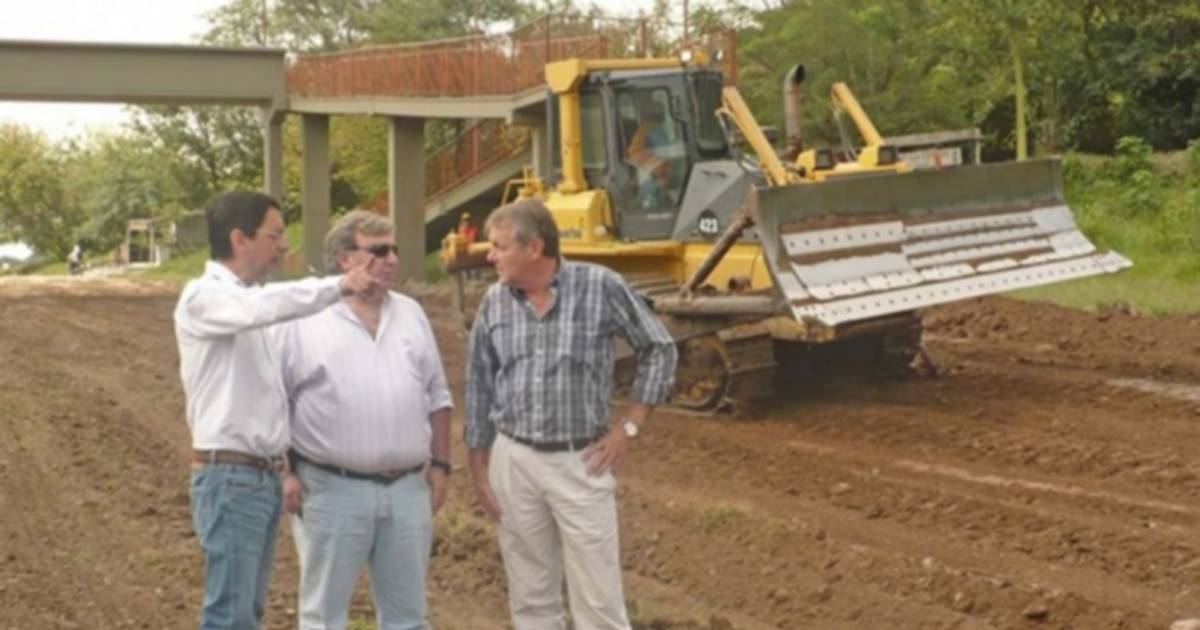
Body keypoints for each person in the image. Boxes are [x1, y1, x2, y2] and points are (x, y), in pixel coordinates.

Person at [464, 199, 678, 630]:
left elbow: (659, 347)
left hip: (581, 461)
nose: (489, 256)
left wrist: (629, 427)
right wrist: (478, 465)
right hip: (515, 458)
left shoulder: (600, 286)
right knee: (530, 597)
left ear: (534, 248)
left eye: (499, 246)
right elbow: (480, 383)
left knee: (599, 602)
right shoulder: (494, 302)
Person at [174, 191, 378, 630]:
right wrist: (338, 286)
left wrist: (282, 466)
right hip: (230, 478)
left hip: (256, 477)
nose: (284, 246)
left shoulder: (245, 302)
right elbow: (265, 307)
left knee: (247, 611)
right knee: (231, 614)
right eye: (275, 235)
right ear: (239, 239)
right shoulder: (206, 298)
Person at [276, 210, 454, 630]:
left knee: (408, 618)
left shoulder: (411, 313)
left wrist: (442, 466)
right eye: (378, 251)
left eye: (395, 249)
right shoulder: (304, 318)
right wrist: (285, 472)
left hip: (408, 489)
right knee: (324, 616)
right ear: (344, 259)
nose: (392, 259)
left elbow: (438, 396)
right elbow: (274, 401)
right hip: (330, 488)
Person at [624, 102, 671, 208]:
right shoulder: (653, 132)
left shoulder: (651, 132)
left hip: (649, 177)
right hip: (647, 175)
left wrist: (661, 177)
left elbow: (661, 159)